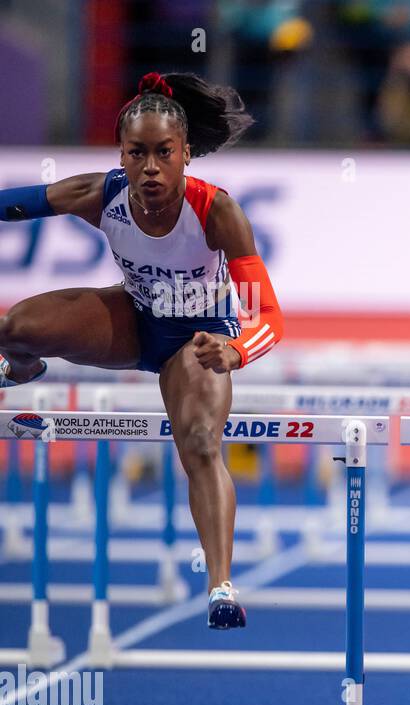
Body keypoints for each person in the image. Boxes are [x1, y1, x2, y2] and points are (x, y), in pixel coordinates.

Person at [0, 72, 285, 629]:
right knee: (15, 325)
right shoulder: (100, 194)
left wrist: (235, 353)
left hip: (198, 340)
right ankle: (25, 367)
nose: (150, 169)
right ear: (122, 155)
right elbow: (16, 205)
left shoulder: (217, 211)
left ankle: (221, 586)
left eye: (163, 154)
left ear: (185, 155)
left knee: (200, 442)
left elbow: (269, 316)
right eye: (137, 154)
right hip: (133, 319)